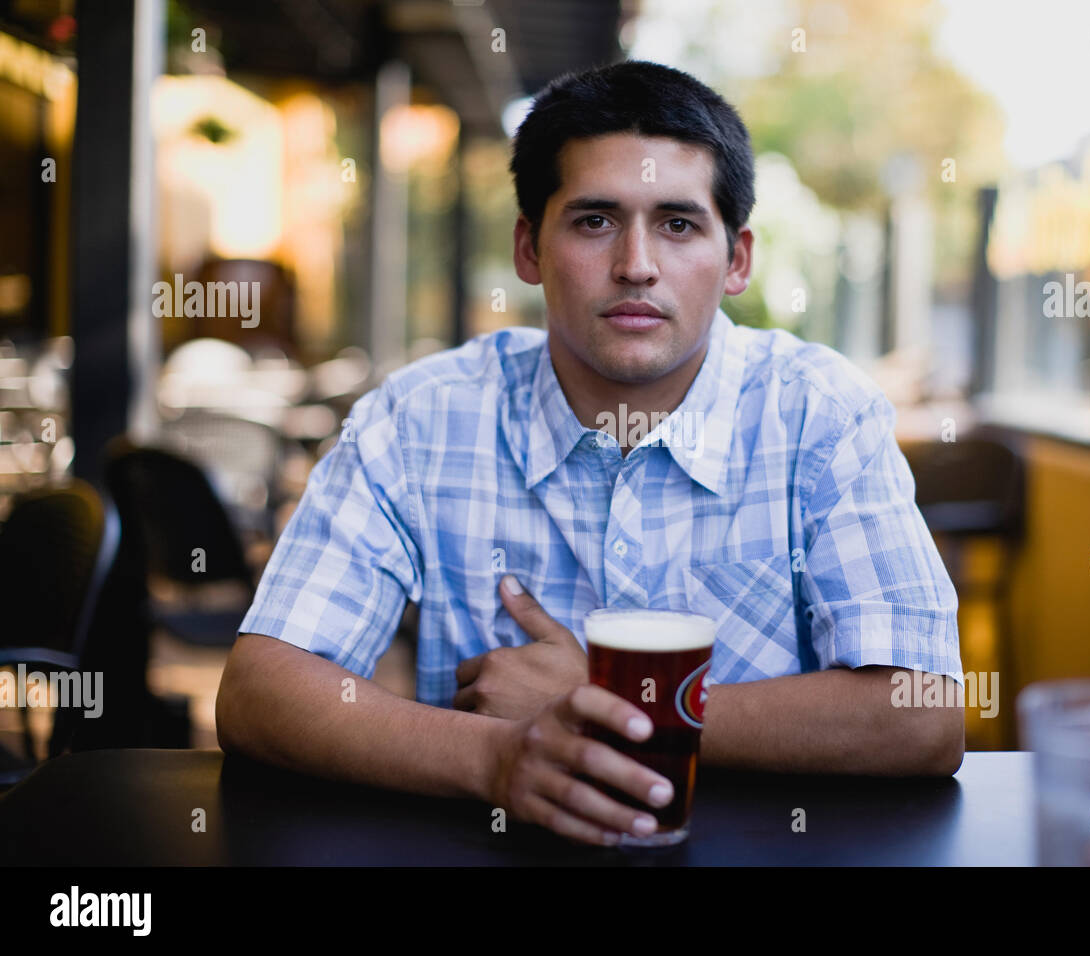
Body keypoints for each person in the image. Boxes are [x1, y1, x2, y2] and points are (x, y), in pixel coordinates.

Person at [216, 60, 964, 848]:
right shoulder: (417, 421)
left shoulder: (820, 416)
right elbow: (261, 691)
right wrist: (498, 759)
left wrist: (621, 699)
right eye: (594, 220)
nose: (636, 263)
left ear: (737, 259)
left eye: (678, 223)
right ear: (529, 248)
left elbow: (921, 715)